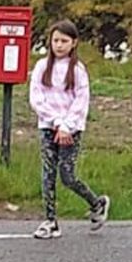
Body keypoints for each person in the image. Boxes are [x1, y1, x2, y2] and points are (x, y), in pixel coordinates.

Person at [27, 19, 110, 239]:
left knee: (67, 176)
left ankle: (96, 202)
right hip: (48, 126)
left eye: (64, 41)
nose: (59, 45)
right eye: (56, 40)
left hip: (71, 129)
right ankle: (50, 220)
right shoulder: (41, 67)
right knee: (48, 173)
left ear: (73, 43)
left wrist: (66, 126)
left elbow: (81, 102)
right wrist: (55, 122)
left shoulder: (78, 70)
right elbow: (36, 98)